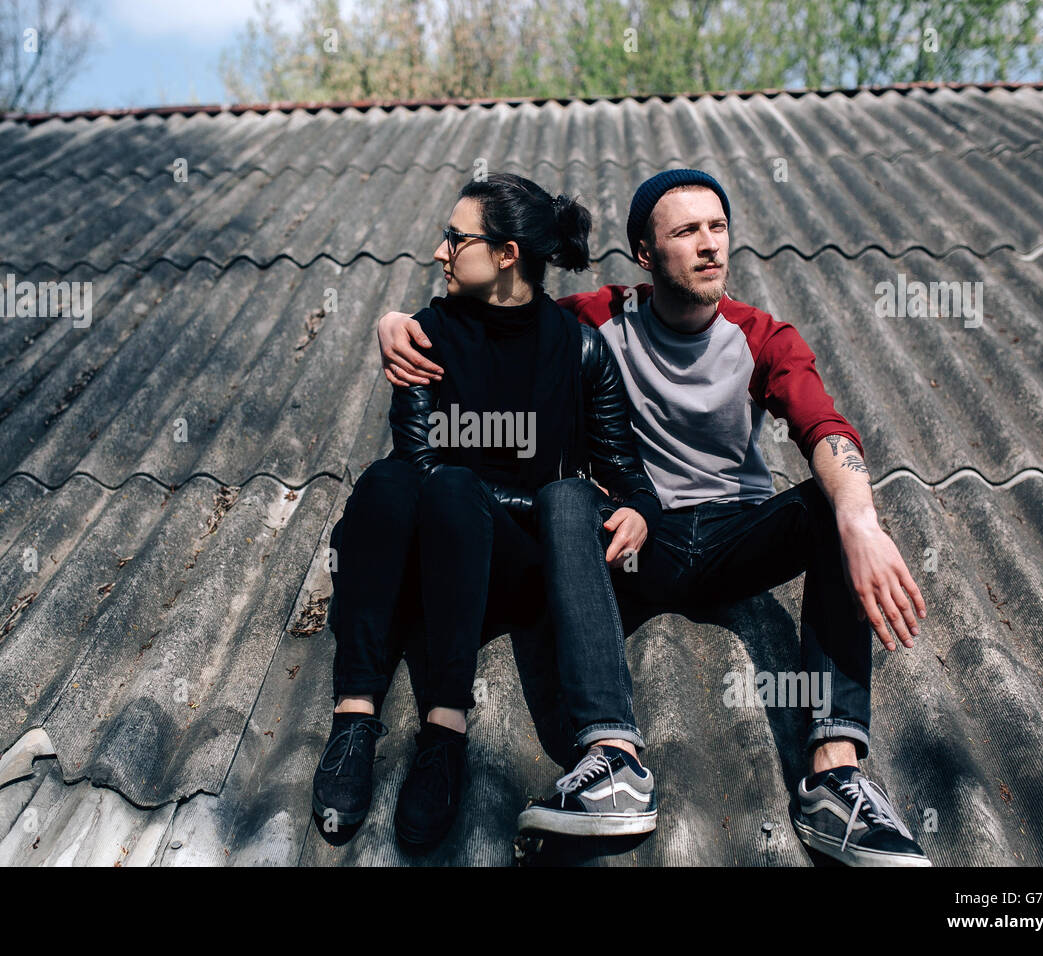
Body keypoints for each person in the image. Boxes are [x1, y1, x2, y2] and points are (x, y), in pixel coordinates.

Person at [376, 169, 932, 865]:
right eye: (687, 232)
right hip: (636, 541)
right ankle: (612, 762)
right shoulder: (595, 317)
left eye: (718, 228)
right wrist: (396, 320)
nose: (710, 247)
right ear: (645, 251)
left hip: (736, 535)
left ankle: (835, 777)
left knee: (830, 502)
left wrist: (861, 523)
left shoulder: (763, 336)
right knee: (566, 498)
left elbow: (825, 429)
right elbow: (500, 304)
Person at [313, 172, 663, 849]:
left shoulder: (579, 349)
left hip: (513, 565)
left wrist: (641, 511)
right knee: (388, 481)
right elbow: (417, 462)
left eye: (455, 238)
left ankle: (445, 731)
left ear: (506, 254)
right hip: (435, 547)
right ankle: (353, 719)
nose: (440, 252)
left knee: (453, 487)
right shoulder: (424, 335)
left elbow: (627, 472)